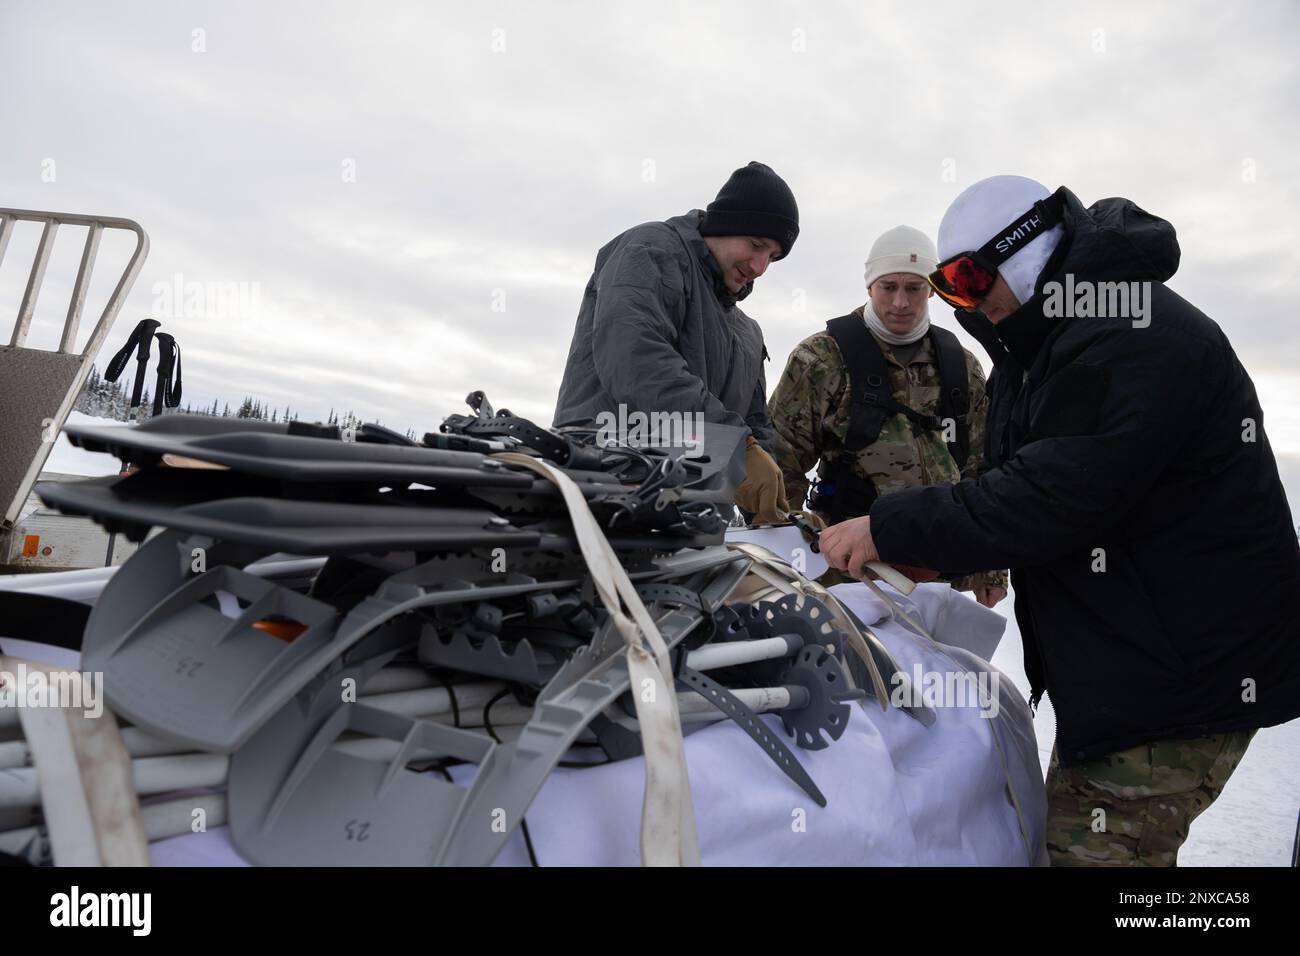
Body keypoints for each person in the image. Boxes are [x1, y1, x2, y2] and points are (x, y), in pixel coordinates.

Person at [819, 174, 1300, 865]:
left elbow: (1052, 496)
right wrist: (938, 555)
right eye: (949, 286)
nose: (965, 299)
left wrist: (889, 526)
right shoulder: (1045, 342)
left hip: (1184, 679)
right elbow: (1020, 482)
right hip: (1135, 668)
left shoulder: (1133, 334)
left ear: (1024, 251)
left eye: (968, 277)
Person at [767, 225, 1007, 606]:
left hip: (940, 571)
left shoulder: (961, 364)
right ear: (869, 287)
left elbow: (984, 469)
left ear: (931, 289)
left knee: (939, 667)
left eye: (913, 288)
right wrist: (789, 558)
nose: (900, 302)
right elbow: (778, 467)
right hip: (845, 574)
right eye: (888, 287)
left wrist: (991, 567)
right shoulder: (821, 359)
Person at [553, 162, 798, 523]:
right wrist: (734, 448)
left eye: (772, 258)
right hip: (604, 487)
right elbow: (637, 362)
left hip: (694, 518)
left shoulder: (748, 333)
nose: (761, 266)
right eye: (756, 245)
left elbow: (755, 425)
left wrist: (775, 510)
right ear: (725, 224)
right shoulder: (649, 250)